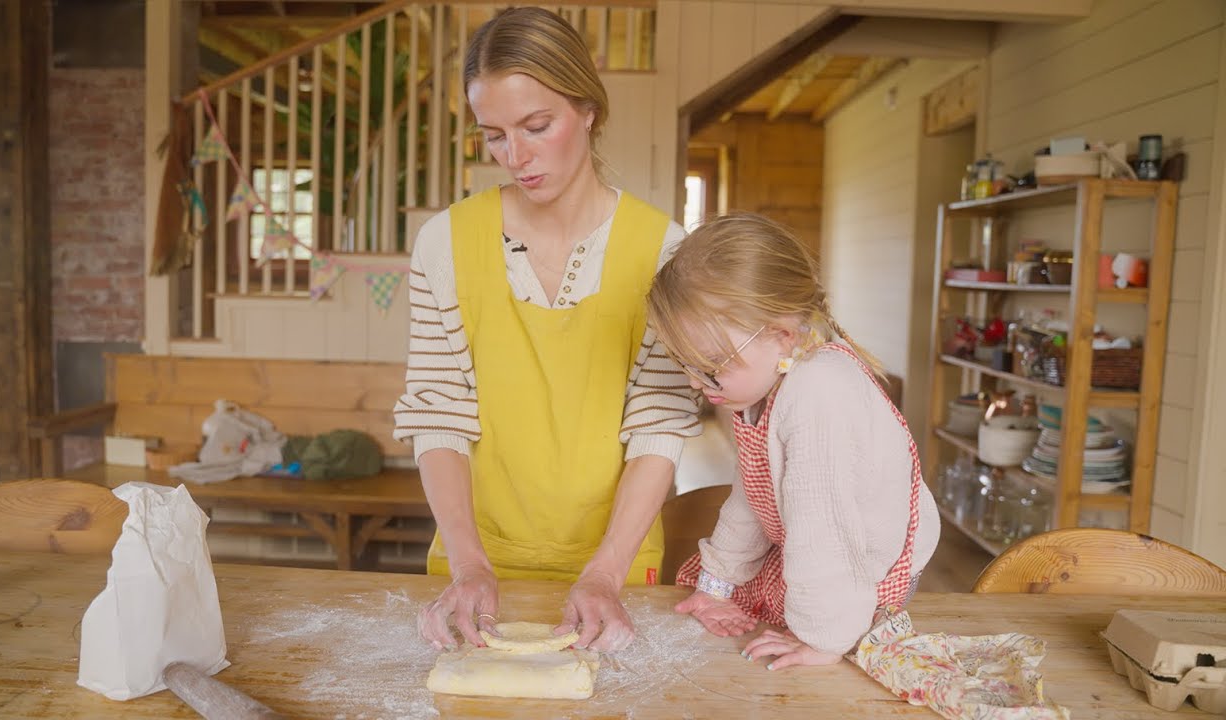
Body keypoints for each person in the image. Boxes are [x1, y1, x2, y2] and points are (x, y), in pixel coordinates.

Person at [392, 7, 700, 653]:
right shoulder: (444, 243)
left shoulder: (663, 251)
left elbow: (658, 424)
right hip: (477, 564)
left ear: (587, 108)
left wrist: (606, 572)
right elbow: (439, 412)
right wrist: (471, 563)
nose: (517, 156)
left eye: (538, 125)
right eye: (495, 135)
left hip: (617, 569)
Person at [645, 212, 940, 668]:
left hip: (866, 563)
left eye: (712, 364)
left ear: (782, 336)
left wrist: (820, 641)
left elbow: (823, 531)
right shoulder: (772, 379)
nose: (699, 382)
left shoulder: (816, 394)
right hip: (820, 545)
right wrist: (716, 586)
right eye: (687, 365)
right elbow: (752, 500)